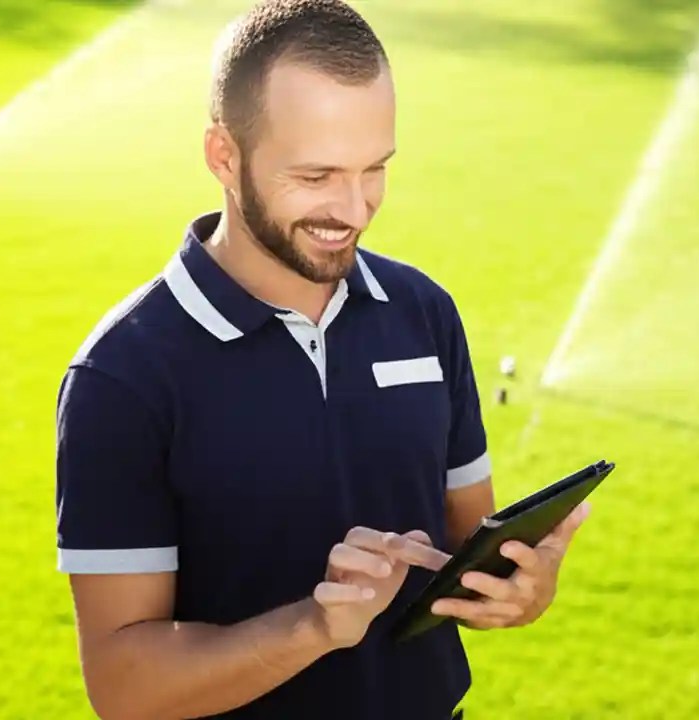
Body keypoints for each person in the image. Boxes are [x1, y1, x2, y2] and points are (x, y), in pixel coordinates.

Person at [53, 1, 592, 718]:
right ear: (223, 155)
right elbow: (124, 685)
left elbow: (467, 542)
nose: (355, 208)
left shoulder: (424, 312)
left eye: (375, 169)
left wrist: (521, 586)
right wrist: (312, 627)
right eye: (316, 176)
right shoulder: (124, 377)